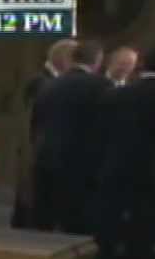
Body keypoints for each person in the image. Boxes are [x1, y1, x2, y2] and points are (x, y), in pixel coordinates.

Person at [85, 46, 155, 259]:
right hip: (154, 175)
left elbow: (98, 136)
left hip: (114, 169)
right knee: (143, 229)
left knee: (107, 225)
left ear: (142, 65)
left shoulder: (116, 94)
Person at [31, 39, 113, 234]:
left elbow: (35, 124)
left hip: (48, 160)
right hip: (84, 165)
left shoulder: (49, 85)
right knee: (79, 226)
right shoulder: (102, 85)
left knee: (46, 225)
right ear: (98, 60)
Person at [13, 38, 77, 229]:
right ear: (63, 58)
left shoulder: (51, 81)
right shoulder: (42, 82)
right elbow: (33, 120)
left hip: (40, 148)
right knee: (34, 202)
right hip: (37, 149)